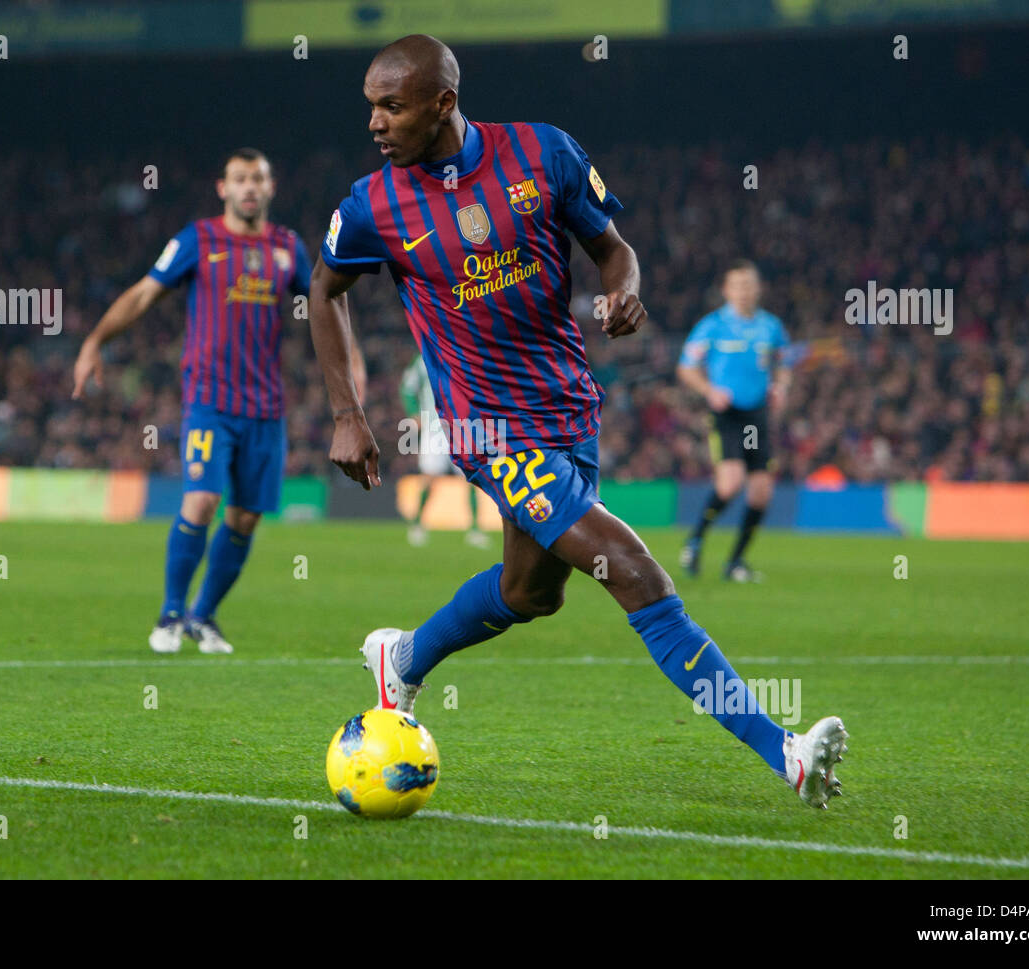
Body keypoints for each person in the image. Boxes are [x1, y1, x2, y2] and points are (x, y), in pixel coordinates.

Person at [307, 35, 847, 808]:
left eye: (391, 106)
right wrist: (346, 412)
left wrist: (622, 289)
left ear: (443, 103)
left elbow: (612, 247)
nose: (375, 122)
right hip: (489, 427)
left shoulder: (543, 154)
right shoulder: (372, 205)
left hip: (567, 408)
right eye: (371, 105)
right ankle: (787, 752)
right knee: (634, 571)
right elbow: (324, 290)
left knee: (532, 593)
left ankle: (405, 656)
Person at [73, 149, 361, 654]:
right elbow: (144, 293)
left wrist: (351, 358)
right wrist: (96, 341)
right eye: (240, 179)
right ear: (222, 188)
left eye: (258, 179)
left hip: (266, 409)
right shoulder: (197, 240)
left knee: (246, 516)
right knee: (203, 499)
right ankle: (169, 613)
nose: (250, 187)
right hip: (209, 402)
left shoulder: (288, 247)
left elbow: (326, 300)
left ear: (271, 188)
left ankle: (203, 617)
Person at [677, 260, 791, 582]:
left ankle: (735, 562)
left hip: (756, 416)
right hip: (727, 415)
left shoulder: (771, 327)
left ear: (758, 289)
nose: (744, 291)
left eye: (749, 285)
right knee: (730, 482)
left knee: (760, 491)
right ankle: (695, 539)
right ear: (727, 290)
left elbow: (783, 364)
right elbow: (686, 368)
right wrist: (709, 390)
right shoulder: (712, 326)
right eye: (738, 286)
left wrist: (781, 385)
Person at [399, 353, 490, 548]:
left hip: (462, 428)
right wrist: (414, 413)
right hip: (435, 430)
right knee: (430, 479)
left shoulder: (463, 355)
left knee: (471, 479)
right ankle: (417, 525)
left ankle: (475, 529)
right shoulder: (423, 358)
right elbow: (407, 389)